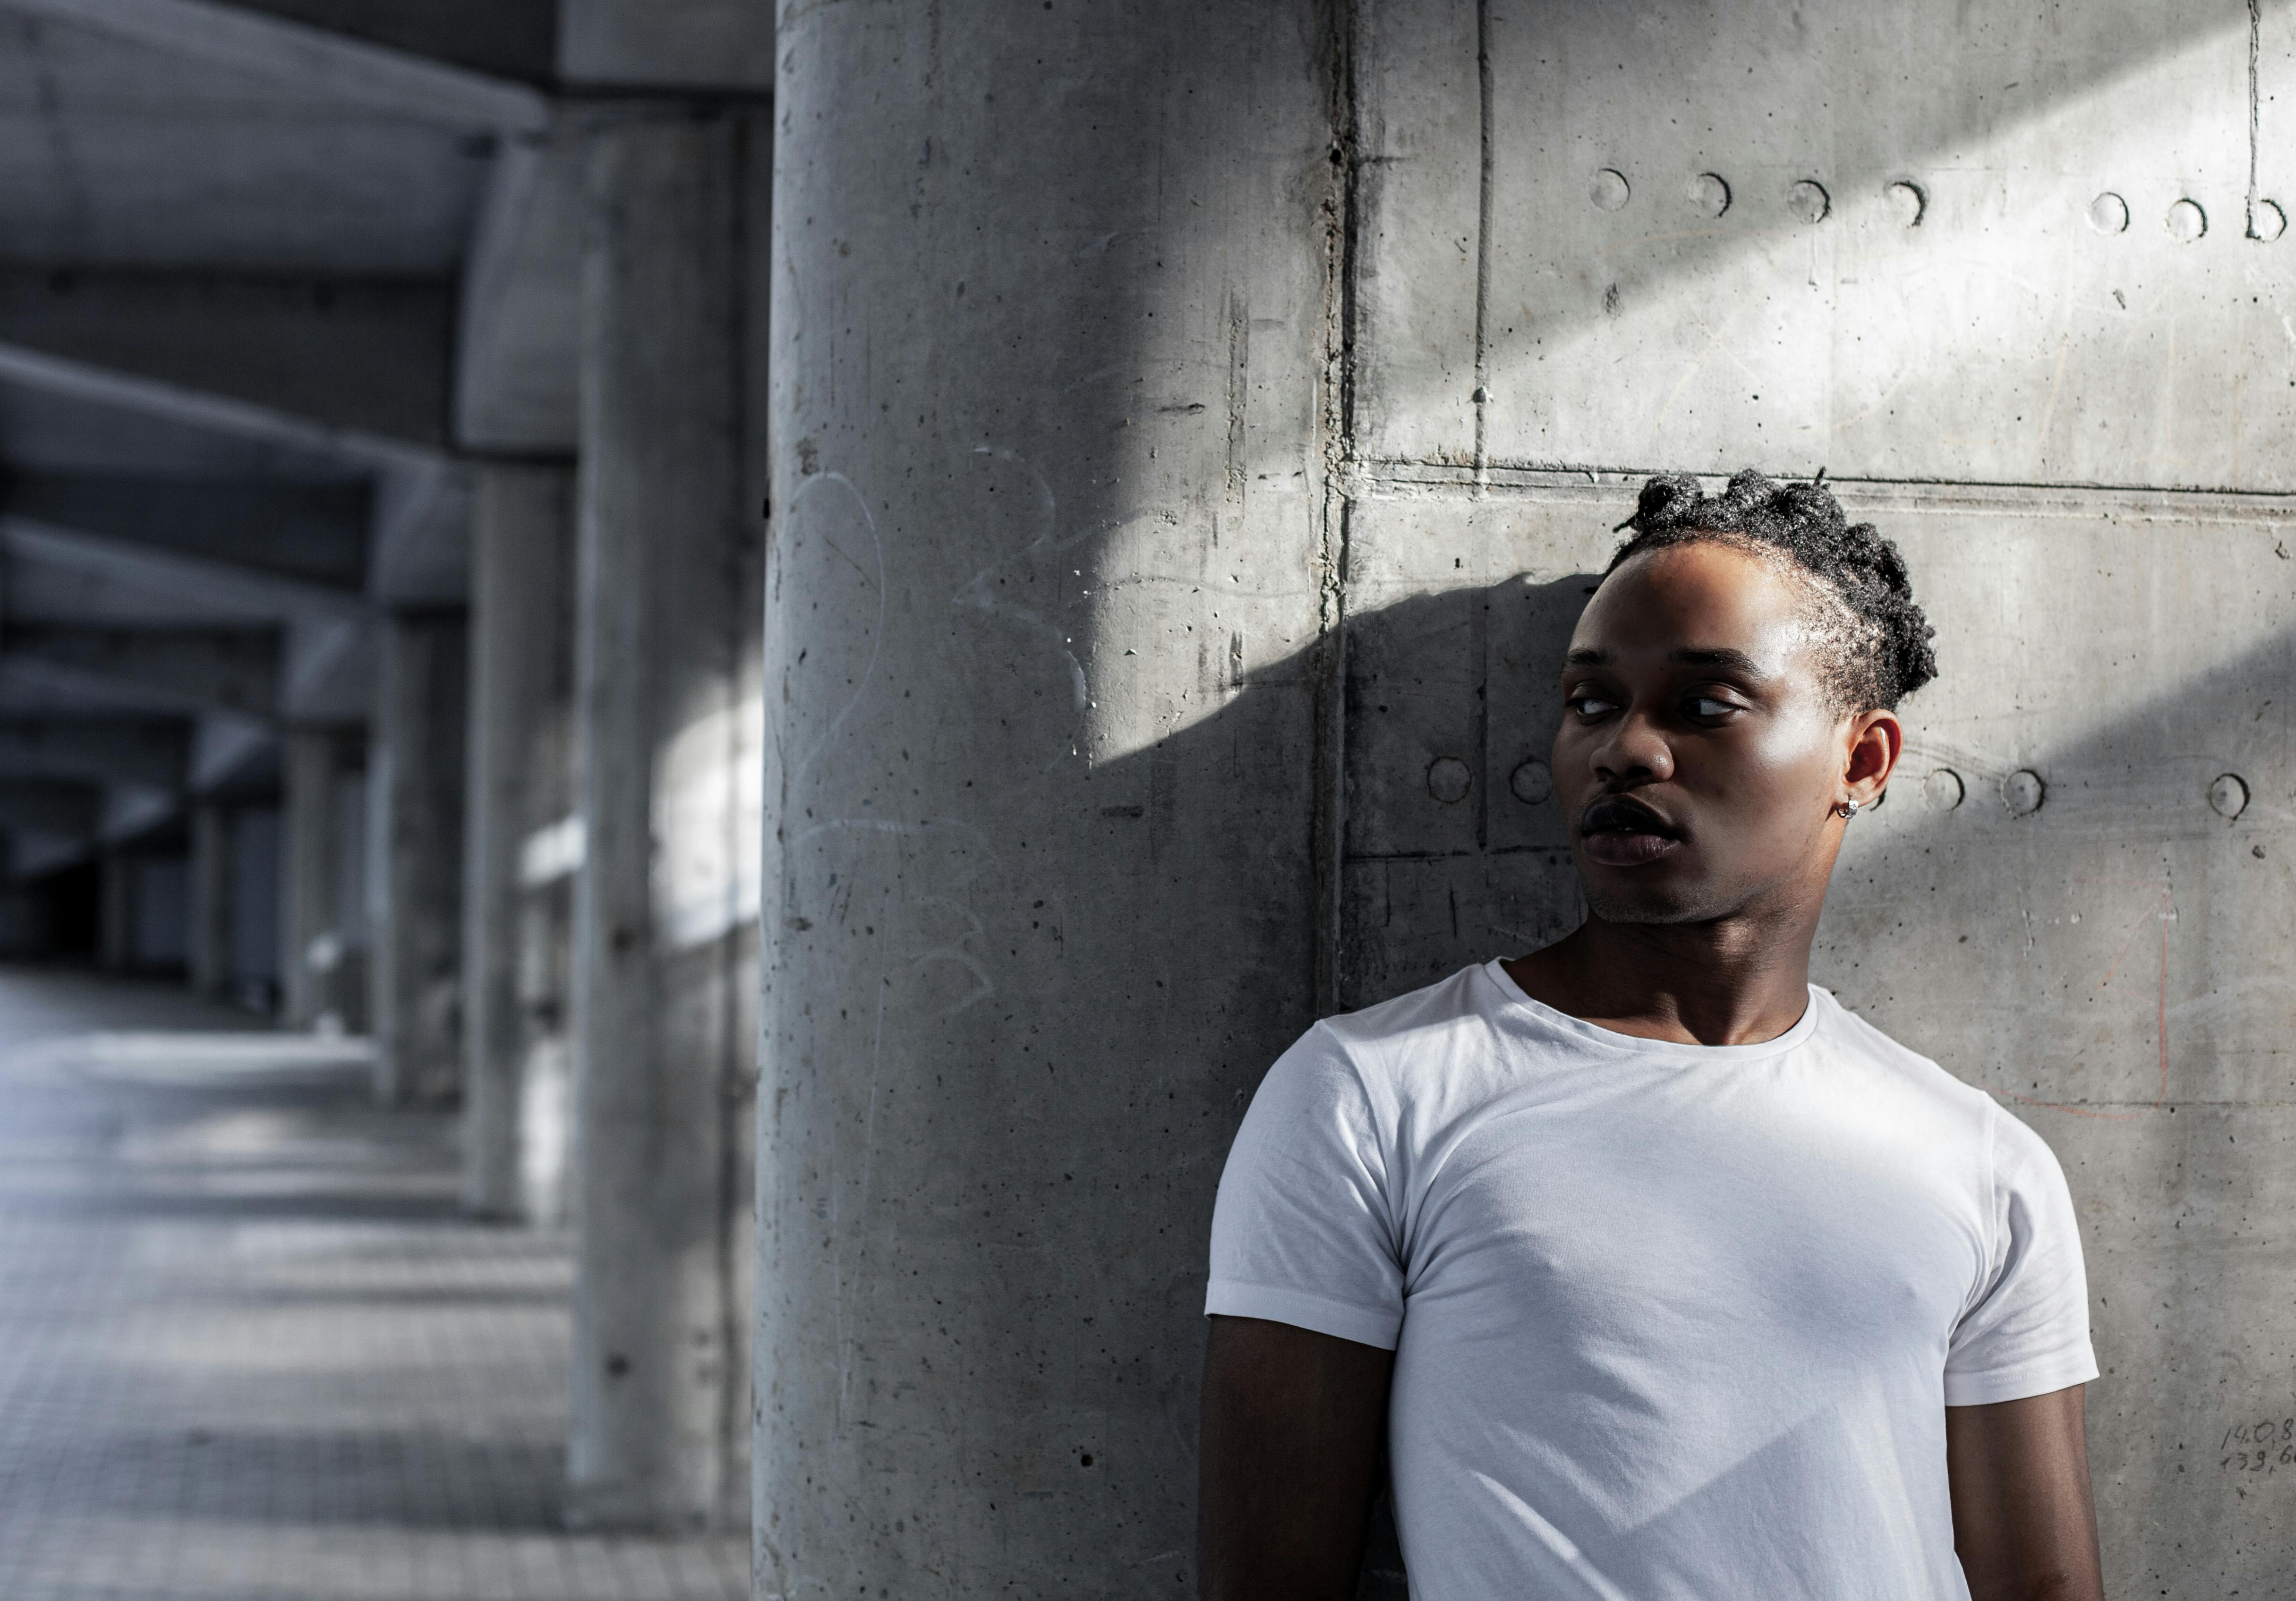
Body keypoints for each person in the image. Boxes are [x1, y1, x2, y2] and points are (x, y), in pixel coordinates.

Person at [1197, 471, 2103, 1601]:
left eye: (1703, 704)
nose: (1624, 750)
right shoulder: (1373, 1095)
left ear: (1862, 762)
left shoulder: (1980, 1163)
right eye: (1589, 703)